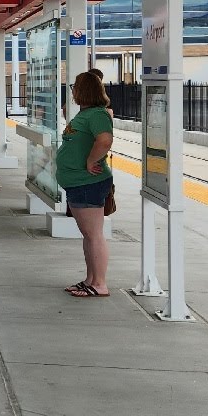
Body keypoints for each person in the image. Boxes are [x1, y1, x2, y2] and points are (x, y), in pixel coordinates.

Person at [58, 71, 115, 297]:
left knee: (94, 235)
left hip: (88, 183)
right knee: (88, 235)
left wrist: (92, 160)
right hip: (78, 183)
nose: (71, 90)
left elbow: (104, 140)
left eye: (74, 86)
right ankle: (90, 279)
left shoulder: (98, 115)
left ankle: (100, 283)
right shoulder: (86, 113)